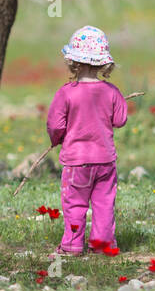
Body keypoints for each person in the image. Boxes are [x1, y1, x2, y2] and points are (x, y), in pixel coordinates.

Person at [46, 26, 129, 255]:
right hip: (105, 161)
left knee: (75, 204)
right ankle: (102, 245)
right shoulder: (112, 92)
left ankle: (72, 245)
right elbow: (121, 120)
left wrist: (57, 139)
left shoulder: (65, 93)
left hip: (76, 162)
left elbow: (55, 125)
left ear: (74, 62)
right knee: (104, 205)